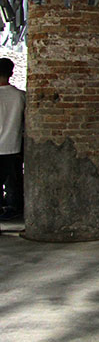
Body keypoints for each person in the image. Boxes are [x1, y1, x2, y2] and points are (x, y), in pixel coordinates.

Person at [0, 58, 25, 221]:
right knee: (13, 180)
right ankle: (14, 208)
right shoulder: (21, 96)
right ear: (11, 73)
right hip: (13, 147)